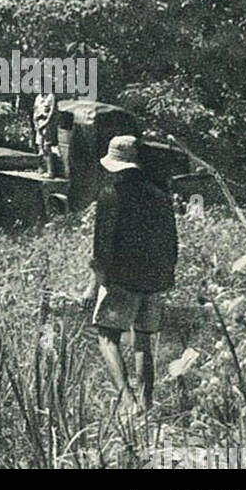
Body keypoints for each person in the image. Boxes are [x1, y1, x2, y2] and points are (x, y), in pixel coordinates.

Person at [89, 135, 178, 414]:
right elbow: (172, 244)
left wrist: (97, 281)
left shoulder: (111, 194)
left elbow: (102, 246)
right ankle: (147, 402)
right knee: (143, 341)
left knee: (107, 337)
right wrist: (165, 276)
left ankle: (128, 403)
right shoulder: (160, 196)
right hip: (155, 278)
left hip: (122, 278)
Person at [33, 89, 60, 178]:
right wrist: (36, 124)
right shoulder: (38, 97)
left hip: (48, 125)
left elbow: (51, 114)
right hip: (39, 124)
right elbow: (35, 111)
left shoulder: (51, 97)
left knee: (47, 147)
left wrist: (44, 125)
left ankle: (50, 171)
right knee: (39, 147)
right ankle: (41, 168)